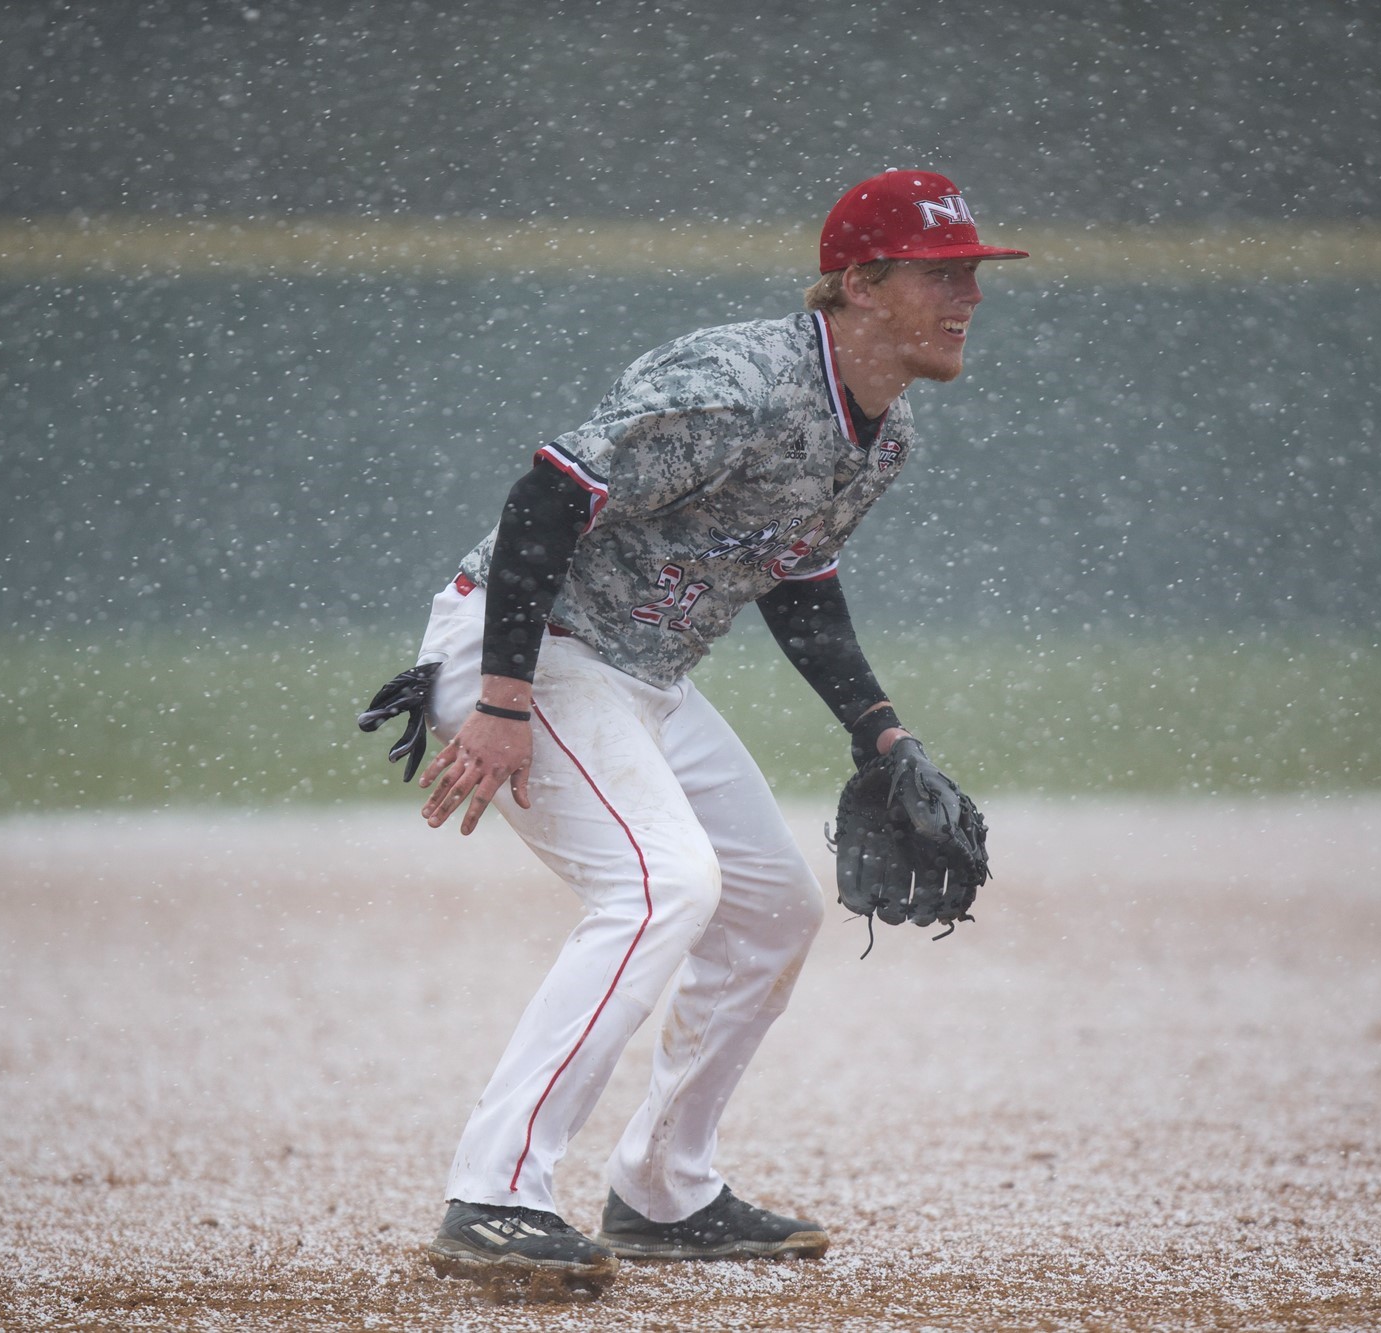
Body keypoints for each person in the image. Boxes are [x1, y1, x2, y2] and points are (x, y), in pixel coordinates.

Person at [389, 169, 1026, 1300]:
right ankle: (494, 1194)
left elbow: (796, 572)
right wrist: (500, 700)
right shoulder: (735, 384)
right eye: (942, 273)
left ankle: (662, 1191)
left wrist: (878, 733)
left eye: (973, 271)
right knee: (659, 886)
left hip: (640, 677)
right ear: (859, 284)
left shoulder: (881, 435)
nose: (967, 293)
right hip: (529, 650)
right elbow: (547, 493)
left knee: (772, 907)